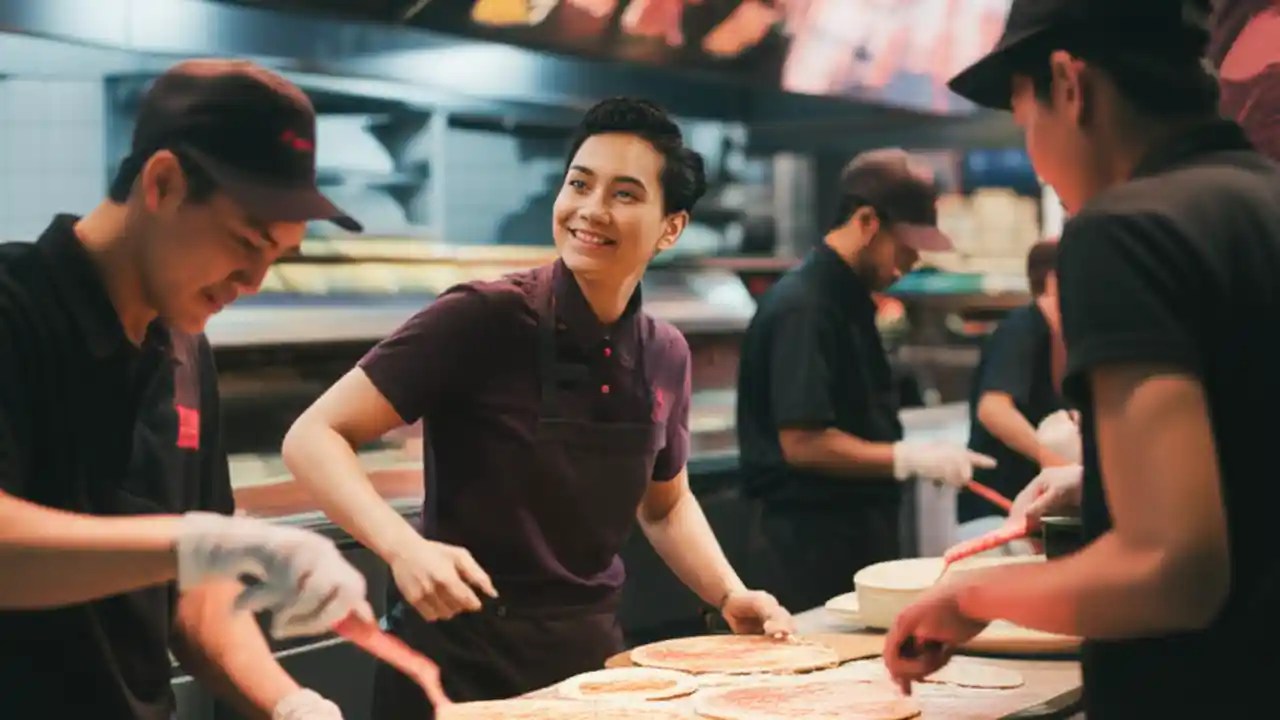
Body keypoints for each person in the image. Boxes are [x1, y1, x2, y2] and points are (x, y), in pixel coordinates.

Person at [283, 97, 793, 720]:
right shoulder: (483, 316)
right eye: (580, 184)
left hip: (590, 663)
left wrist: (730, 593)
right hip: (458, 661)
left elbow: (665, 505)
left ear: (671, 227)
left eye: (625, 194)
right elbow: (315, 434)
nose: (591, 210)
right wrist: (403, 547)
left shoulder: (666, 352)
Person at [883, 1, 1280, 714]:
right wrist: (1104, 482)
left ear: (1069, 84)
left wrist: (972, 596)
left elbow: (1174, 569)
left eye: (1022, 114)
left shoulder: (1124, 231)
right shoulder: (1260, 201)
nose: (1032, 148)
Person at [0, 59, 373, 720]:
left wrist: (290, 704)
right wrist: (204, 540)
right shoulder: (15, 313)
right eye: (246, 241)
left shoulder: (185, 350)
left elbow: (199, 597)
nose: (255, 280)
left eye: (277, 256)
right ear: (164, 183)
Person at [735, 148, 995, 615]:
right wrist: (907, 458)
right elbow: (803, 442)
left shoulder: (851, 298)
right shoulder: (805, 306)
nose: (912, 261)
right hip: (806, 549)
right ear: (867, 221)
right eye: (907, 246)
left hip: (851, 537)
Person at [958, 240, 1069, 538]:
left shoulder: (1062, 341)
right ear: (1052, 281)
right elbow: (993, 408)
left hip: (1028, 514)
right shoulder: (1022, 329)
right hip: (993, 516)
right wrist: (1051, 458)